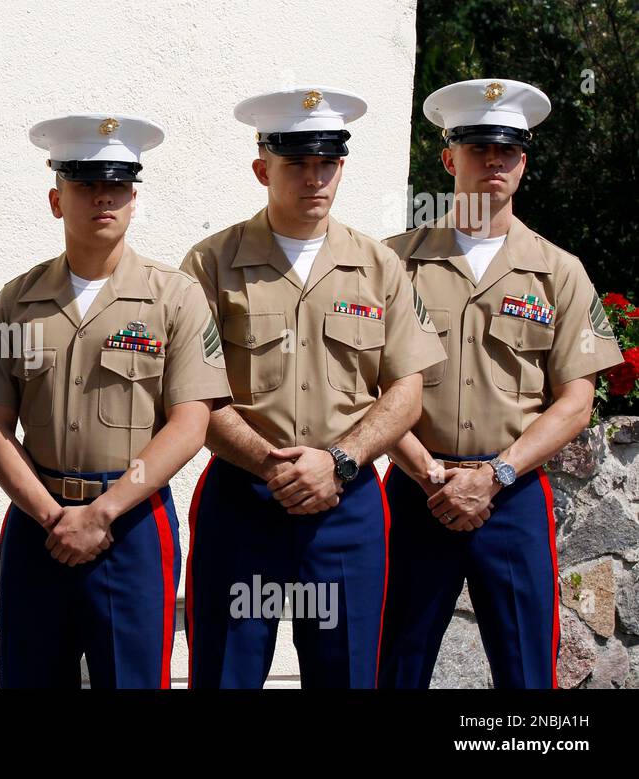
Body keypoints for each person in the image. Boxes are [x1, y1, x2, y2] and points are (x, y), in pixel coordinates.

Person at [179, 87, 446, 688]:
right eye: (296, 163)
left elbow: (406, 389)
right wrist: (274, 466)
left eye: (327, 163)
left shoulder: (379, 267)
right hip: (243, 506)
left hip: (345, 509)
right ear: (261, 168)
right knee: (226, 676)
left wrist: (339, 462)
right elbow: (193, 395)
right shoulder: (211, 264)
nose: (314, 178)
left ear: (341, 167)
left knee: (350, 676)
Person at [0, 114, 231, 688]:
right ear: (56, 199)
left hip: (131, 525)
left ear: (134, 198)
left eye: (117, 184)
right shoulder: (18, 300)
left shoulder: (174, 297)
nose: (102, 197)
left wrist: (104, 512)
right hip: (40, 523)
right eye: (84, 183)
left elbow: (190, 423)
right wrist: (54, 517)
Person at [378, 79, 624, 689]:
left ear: (523, 161)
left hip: (512, 495)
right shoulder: (391, 263)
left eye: (508, 149)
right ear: (447, 157)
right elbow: (363, 387)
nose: (493, 160)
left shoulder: (559, 272)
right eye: (476, 145)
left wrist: (495, 476)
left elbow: (575, 402)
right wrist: (431, 474)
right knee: (394, 665)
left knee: (526, 672)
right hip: (415, 491)